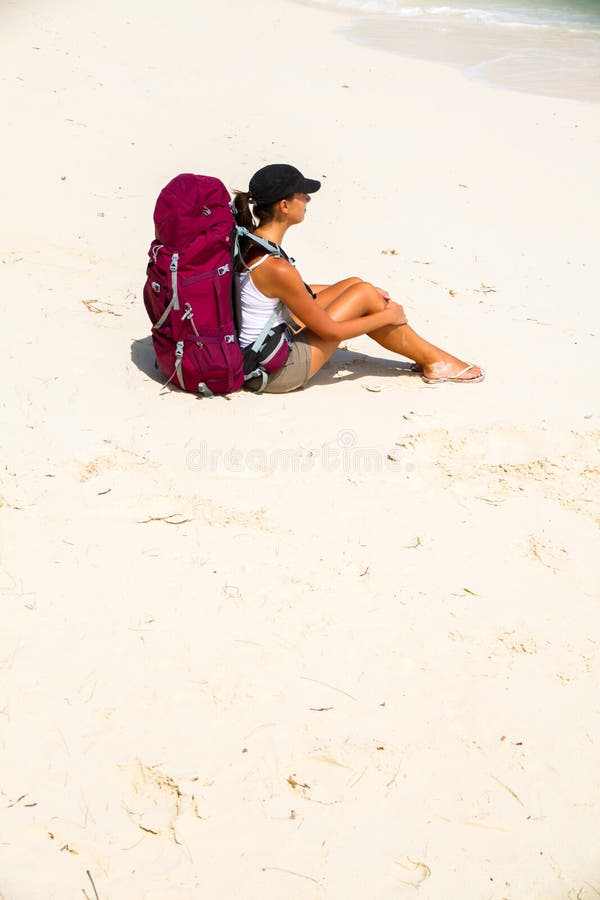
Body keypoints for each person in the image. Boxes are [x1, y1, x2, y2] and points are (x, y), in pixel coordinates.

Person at [233, 163, 484, 394]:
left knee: (356, 284)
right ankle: (436, 362)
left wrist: (356, 292)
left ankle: (430, 358)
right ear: (284, 206)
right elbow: (331, 332)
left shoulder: (251, 242)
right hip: (275, 370)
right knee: (363, 294)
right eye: (302, 195)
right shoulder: (276, 267)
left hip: (262, 348)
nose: (308, 199)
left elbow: (292, 291)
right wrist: (387, 316)